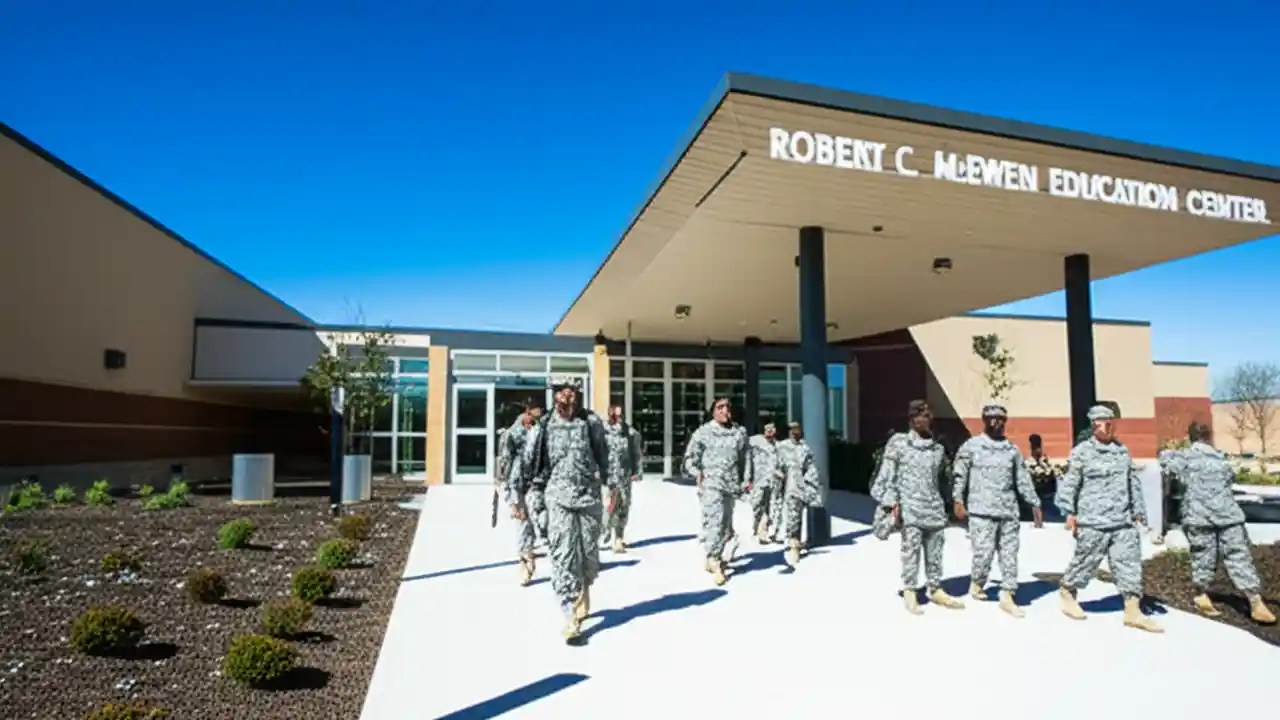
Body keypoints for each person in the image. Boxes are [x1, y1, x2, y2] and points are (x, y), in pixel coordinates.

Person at [1055, 405, 1162, 632]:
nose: (1110, 426)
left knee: (1129, 564)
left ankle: (1133, 610)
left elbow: (1132, 482)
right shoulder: (1082, 452)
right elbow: (1071, 484)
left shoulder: (1122, 451)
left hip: (1122, 521)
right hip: (1093, 520)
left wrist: (1139, 511)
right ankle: (1068, 591)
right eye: (1105, 422)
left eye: (1111, 422)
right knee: (1085, 562)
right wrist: (1069, 513)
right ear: (1094, 425)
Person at [1160, 422, 1275, 624]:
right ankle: (1254, 599)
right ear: (1209, 436)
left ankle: (1201, 593)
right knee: (1239, 555)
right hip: (1228, 514)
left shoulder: (1184, 457)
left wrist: (1172, 448)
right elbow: (1230, 479)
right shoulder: (1221, 459)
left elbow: (1165, 461)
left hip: (1199, 516)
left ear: (1190, 437)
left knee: (1203, 555)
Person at [522, 377, 609, 643]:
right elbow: (530, 466)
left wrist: (612, 488)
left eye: (571, 393)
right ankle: (569, 614)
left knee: (589, 557)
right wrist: (530, 500)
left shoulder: (590, 423)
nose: (566, 397)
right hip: (558, 499)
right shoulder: (543, 427)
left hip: (588, 499)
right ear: (555, 396)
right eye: (561, 393)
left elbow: (605, 458)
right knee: (564, 556)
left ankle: (583, 590)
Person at [952, 404, 1044, 618]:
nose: (996, 422)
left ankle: (1008, 594)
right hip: (981, 511)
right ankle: (977, 582)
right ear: (984, 421)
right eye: (992, 418)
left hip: (1008, 512)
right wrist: (958, 500)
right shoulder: (972, 446)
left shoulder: (1012, 450)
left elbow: (1022, 479)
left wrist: (1034, 502)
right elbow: (959, 475)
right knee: (983, 553)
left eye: (1001, 419)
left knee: (1009, 554)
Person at [875, 400, 965, 614]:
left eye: (928, 414)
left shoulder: (937, 449)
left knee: (936, 551)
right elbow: (887, 475)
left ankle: (935, 588)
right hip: (910, 507)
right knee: (911, 551)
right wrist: (890, 502)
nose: (926, 418)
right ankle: (910, 590)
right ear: (912, 419)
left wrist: (953, 502)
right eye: (921, 415)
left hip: (933, 508)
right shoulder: (899, 443)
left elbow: (944, 481)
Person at [683, 397, 751, 586]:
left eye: (728, 407)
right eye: (720, 407)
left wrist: (746, 480)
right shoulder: (704, 432)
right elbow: (689, 459)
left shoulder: (739, 433)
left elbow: (746, 458)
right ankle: (714, 559)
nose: (724, 410)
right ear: (713, 411)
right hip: (711, 485)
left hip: (730, 485)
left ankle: (713, 556)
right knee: (715, 520)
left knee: (726, 525)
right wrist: (697, 473)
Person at [500, 404, 543, 585]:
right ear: (527, 412)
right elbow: (505, 460)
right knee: (522, 521)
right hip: (517, 483)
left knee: (538, 519)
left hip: (538, 483)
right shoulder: (512, 434)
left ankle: (530, 552)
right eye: (535, 413)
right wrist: (508, 492)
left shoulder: (542, 432)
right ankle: (525, 561)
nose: (538, 417)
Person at [777, 421, 823, 568]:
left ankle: (795, 543)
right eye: (792, 429)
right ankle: (792, 543)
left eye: (797, 429)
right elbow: (776, 465)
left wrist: (811, 484)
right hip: (787, 486)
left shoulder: (805, 448)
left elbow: (811, 468)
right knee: (791, 516)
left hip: (800, 487)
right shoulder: (782, 447)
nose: (795, 431)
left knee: (797, 516)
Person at [600, 404, 642, 553]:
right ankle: (604, 531)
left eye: (621, 416)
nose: (619, 419)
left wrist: (637, 471)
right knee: (608, 507)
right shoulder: (602, 432)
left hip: (624, 476)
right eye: (615, 415)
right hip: (607, 476)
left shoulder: (630, 433)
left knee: (623, 506)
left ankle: (618, 538)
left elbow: (636, 453)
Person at [747, 423, 782, 543]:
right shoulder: (755, 441)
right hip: (759, 480)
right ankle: (756, 527)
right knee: (757, 505)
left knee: (771, 507)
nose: (770, 432)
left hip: (773, 481)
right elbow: (746, 458)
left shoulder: (778, 446)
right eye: (767, 429)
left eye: (772, 429)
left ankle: (765, 531)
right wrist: (747, 479)